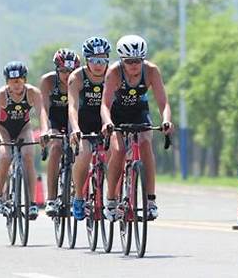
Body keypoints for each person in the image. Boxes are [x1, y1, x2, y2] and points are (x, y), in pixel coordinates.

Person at [100, 34, 174, 221]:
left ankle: (150, 200)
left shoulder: (151, 71)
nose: (134, 65)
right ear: (122, 60)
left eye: (138, 60)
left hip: (140, 111)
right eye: (129, 61)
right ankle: (110, 200)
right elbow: (105, 105)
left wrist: (166, 120)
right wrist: (107, 122)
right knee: (119, 150)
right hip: (117, 115)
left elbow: (163, 102)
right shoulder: (114, 73)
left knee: (145, 143)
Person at [0, 61, 42, 220]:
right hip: (4, 130)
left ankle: (32, 202)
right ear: (7, 82)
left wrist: (45, 130)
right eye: (13, 81)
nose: (16, 84)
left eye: (19, 80)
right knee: (5, 157)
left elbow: (42, 115)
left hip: (24, 128)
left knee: (28, 157)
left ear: (25, 80)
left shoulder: (33, 93)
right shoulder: (0, 96)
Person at [68, 37, 111, 220]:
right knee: (84, 155)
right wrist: (75, 129)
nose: (99, 65)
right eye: (94, 60)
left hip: (105, 121)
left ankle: (113, 198)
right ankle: (78, 197)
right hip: (83, 122)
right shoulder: (77, 77)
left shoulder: (113, 74)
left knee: (114, 154)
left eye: (103, 60)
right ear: (86, 60)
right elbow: (72, 106)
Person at [39, 49, 81, 216]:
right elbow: (43, 109)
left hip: (74, 119)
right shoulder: (48, 81)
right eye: (63, 71)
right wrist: (45, 129)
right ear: (57, 69)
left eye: (71, 71)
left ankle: (79, 193)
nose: (67, 75)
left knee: (82, 150)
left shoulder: (80, 80)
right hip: (54, 119)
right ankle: (51, 198)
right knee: (56, 148)